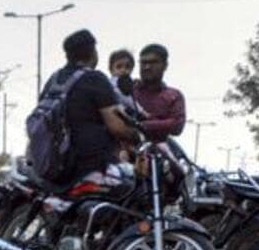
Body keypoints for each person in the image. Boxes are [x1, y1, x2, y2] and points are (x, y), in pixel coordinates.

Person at [45, 29, 133, 185]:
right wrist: (135, 135)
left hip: (53, 167)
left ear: (68, 55)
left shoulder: (53, 80)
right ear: (93, 52)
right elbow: (117, 127)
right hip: (90, 167)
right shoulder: (95, 78)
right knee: (132, 187)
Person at [132, 43, 186, 143]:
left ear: (165, 65)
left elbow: (177, 125)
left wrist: (143, 125)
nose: (147, 67)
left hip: (158, 148)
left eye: (153, 62)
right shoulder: (130, 90)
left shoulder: (174, 96)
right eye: (143, 63)